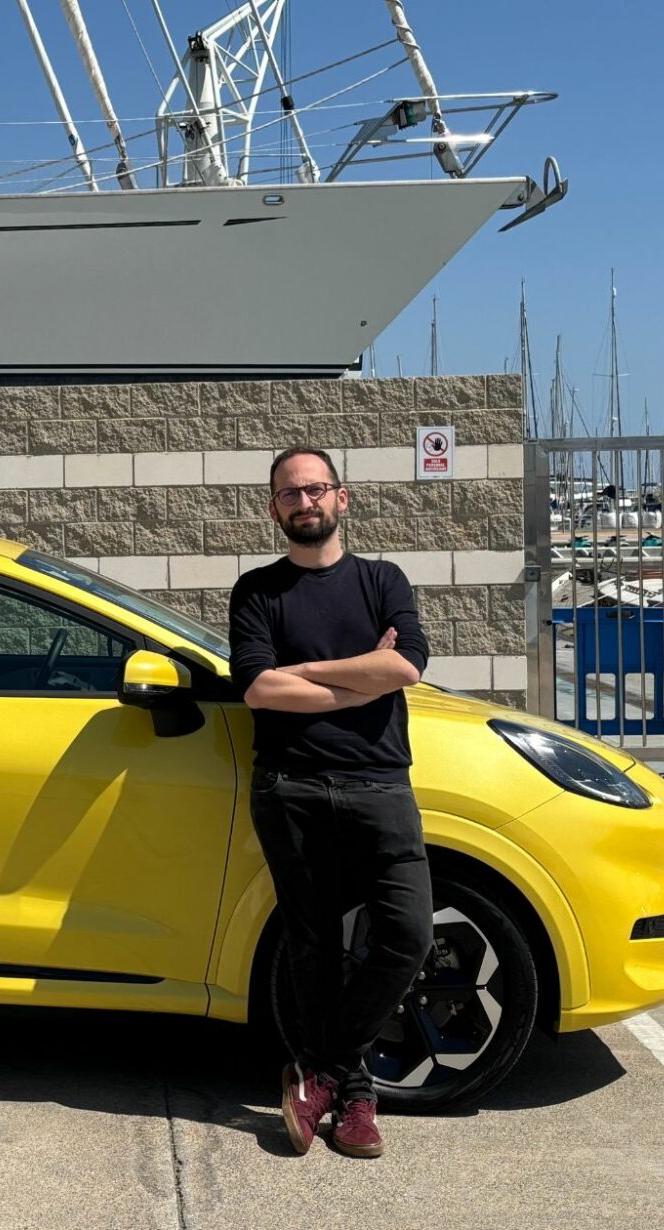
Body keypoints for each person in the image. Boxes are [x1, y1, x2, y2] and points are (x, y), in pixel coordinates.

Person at [227, 446, 433, 1159]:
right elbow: (256, 687)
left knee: (408, 934)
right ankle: (356, 1097)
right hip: (292, 788)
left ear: (342, 499)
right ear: (273, 508)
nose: (303, 502)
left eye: (315, 489)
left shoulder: (383, 580)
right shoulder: (257, 591)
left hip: (381, 784)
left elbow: (405, 664)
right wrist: (360, 680)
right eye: (290, 493)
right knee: (312, 945)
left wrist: (305, 673)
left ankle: (320, 1070)